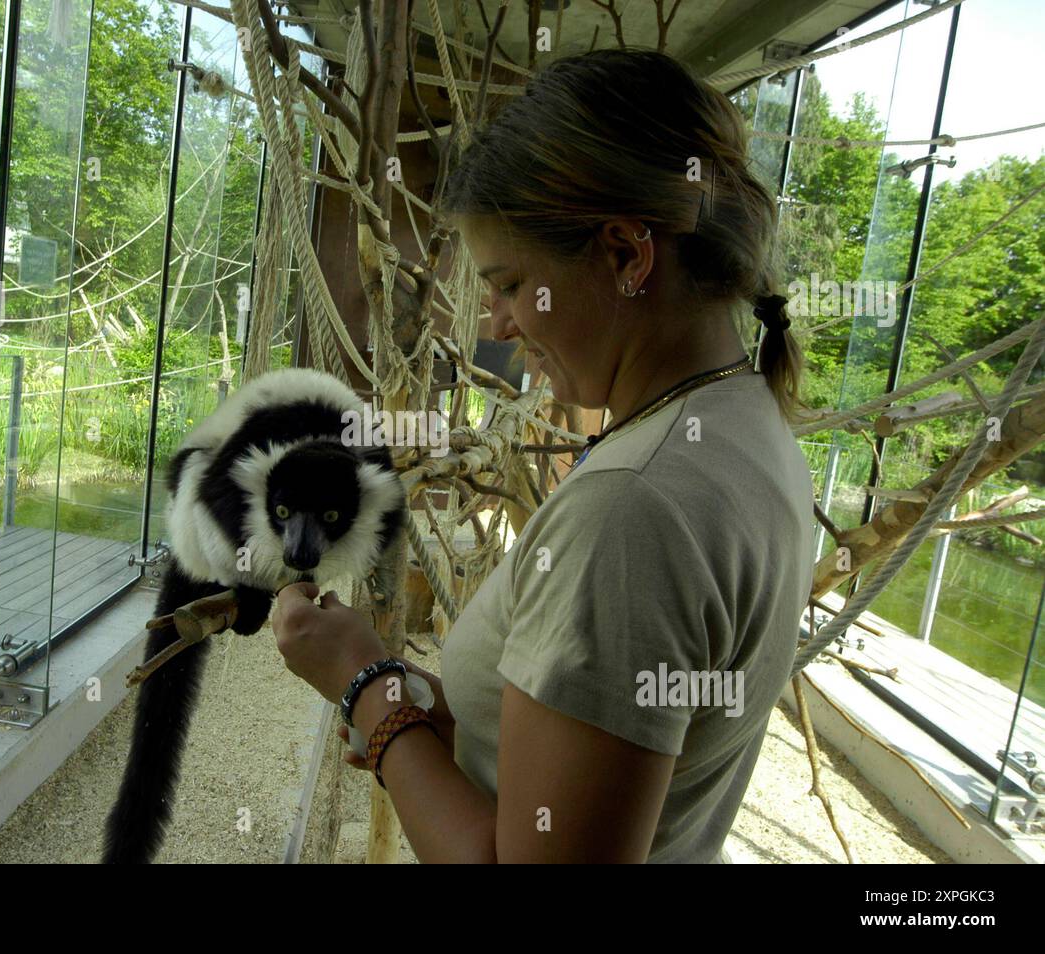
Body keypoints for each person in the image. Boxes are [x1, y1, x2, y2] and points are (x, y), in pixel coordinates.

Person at [270, 47, 816, 863]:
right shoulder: (748, 423)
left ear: (628, 256)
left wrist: (365, 689)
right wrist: (414, 707)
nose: (495, 324)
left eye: (514, 284)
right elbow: (596, 744)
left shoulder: (632, 508)